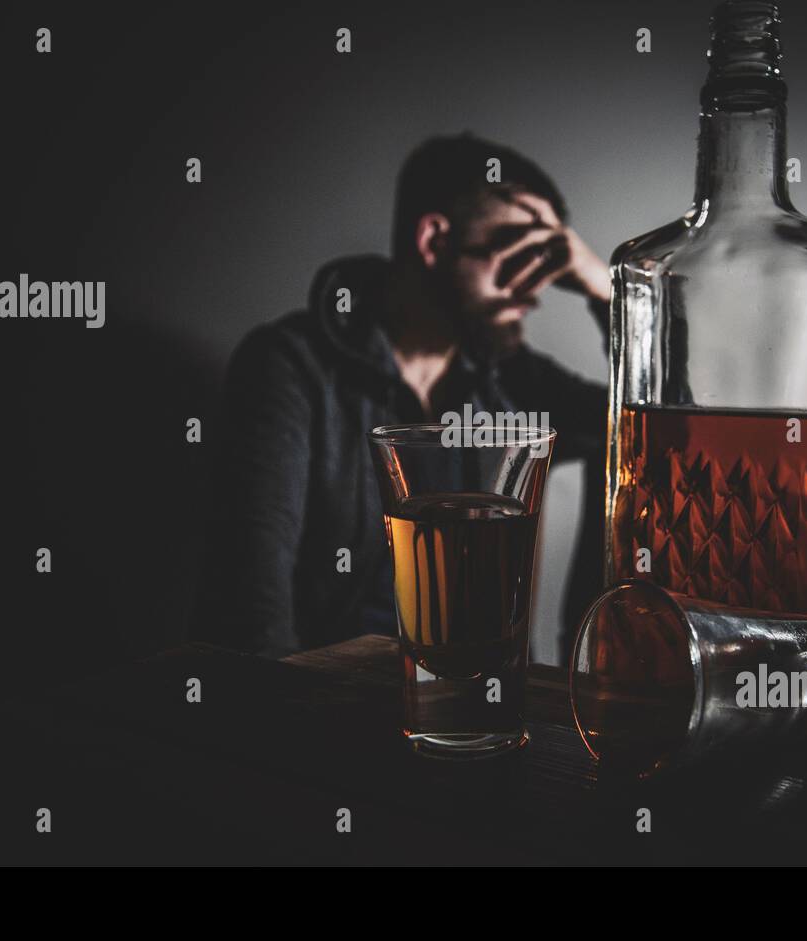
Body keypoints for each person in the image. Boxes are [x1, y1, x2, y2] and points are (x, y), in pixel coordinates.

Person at [196, 132, 610, 658]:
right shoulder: (291, 366)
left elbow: (655, 434)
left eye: (553, 258)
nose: (537, 286)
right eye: (523, 249)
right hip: (322, 704)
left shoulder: (509, 379)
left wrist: (607, 290)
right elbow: (250, 604)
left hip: (477, 707)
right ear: (435, 241)